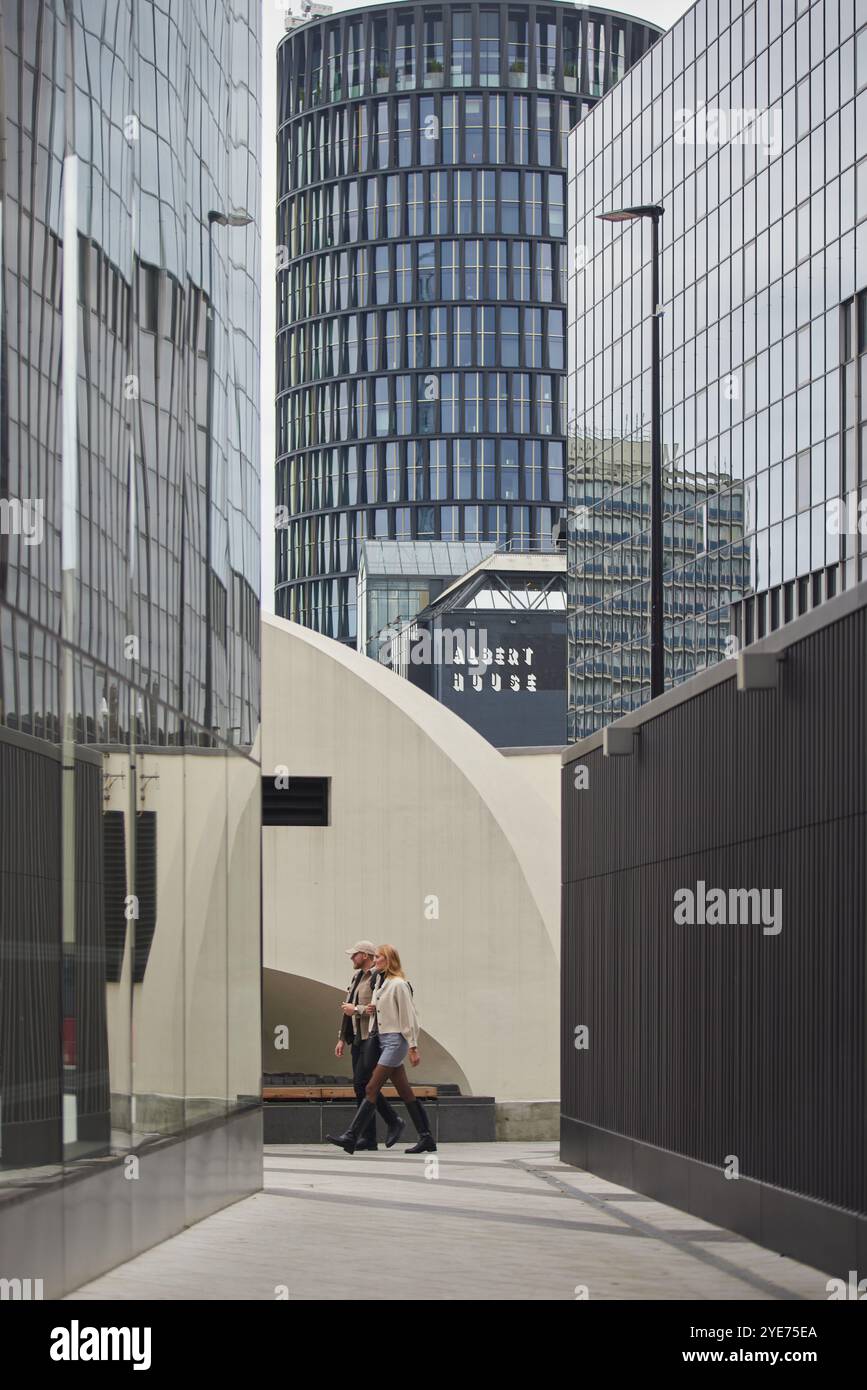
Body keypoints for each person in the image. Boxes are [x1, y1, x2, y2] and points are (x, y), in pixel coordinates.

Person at [327, 944, 436, 1155]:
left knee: (370, 1088)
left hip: (395, 1042)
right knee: (405, 1092)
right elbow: (375, 1013)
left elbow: (409, 1016)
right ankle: (426, 1137)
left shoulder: (398, 985)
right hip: (383, 1040)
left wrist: (413, 1046)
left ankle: (351, 1136)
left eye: (378, 957)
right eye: (375, 957)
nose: (375, 960)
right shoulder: (381, 985)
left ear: (388, 960)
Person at [330, 940, 405, 1152]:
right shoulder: (356, 977)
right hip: (356, 1037)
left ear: (365, 955)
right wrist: (341, 1038)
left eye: (355, 955)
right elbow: (347, 1008)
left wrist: (357, 1010)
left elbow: (377, 1009)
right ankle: (369, 1137)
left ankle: (392, 1122)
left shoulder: (377, 977)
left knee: (366, 1084)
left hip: (371, 1037)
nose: (351, 958)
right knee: (359, 1086)